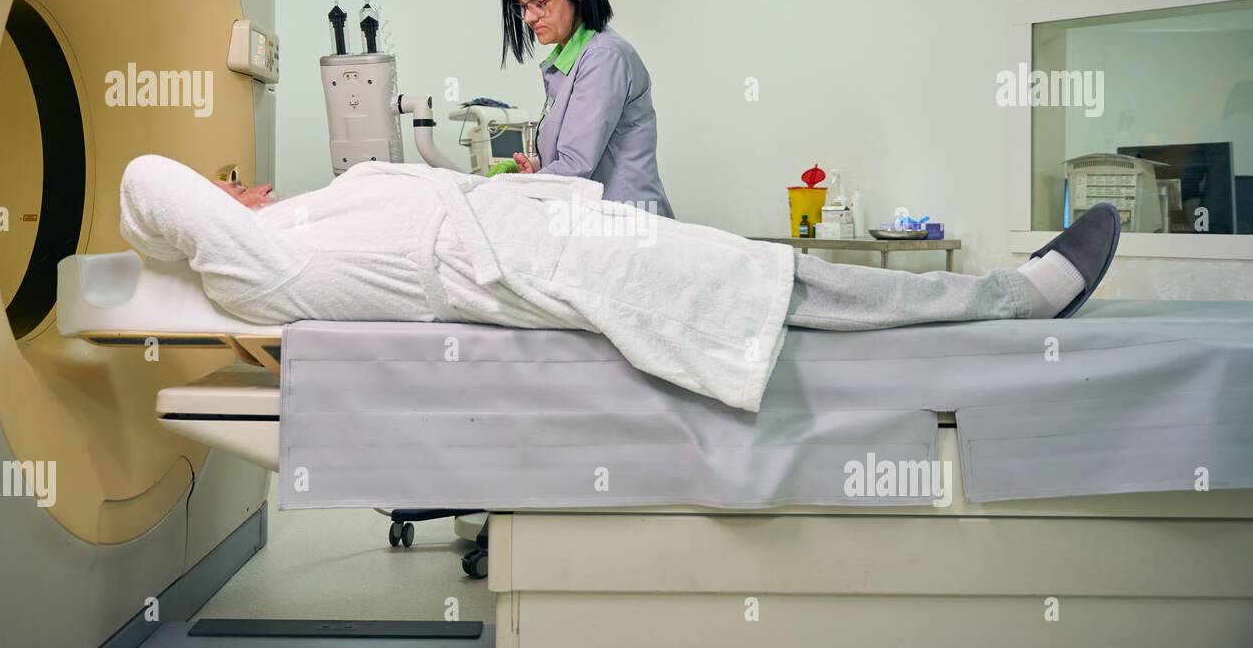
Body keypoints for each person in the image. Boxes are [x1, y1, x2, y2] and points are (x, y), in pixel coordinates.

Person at [120, 154, 1118, 413]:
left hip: (537, 225)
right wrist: (231, 212)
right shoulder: (257, 271)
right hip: (525, 261)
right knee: (766, 277)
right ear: (200, 232)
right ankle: (1010, 298)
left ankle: (993, 300)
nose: (235, 187)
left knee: (754, 272)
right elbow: (146, 180)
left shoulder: (296, 216)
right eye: (224, 192)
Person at [500, 0, 674, 219]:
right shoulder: (569, 62)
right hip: (598, 220)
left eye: (539, 2)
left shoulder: (603, 57)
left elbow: (574, 166)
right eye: (522, 7)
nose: (529, 17)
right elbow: (574, 159)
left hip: (627, 221)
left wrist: (508, 189)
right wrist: (539, 169)